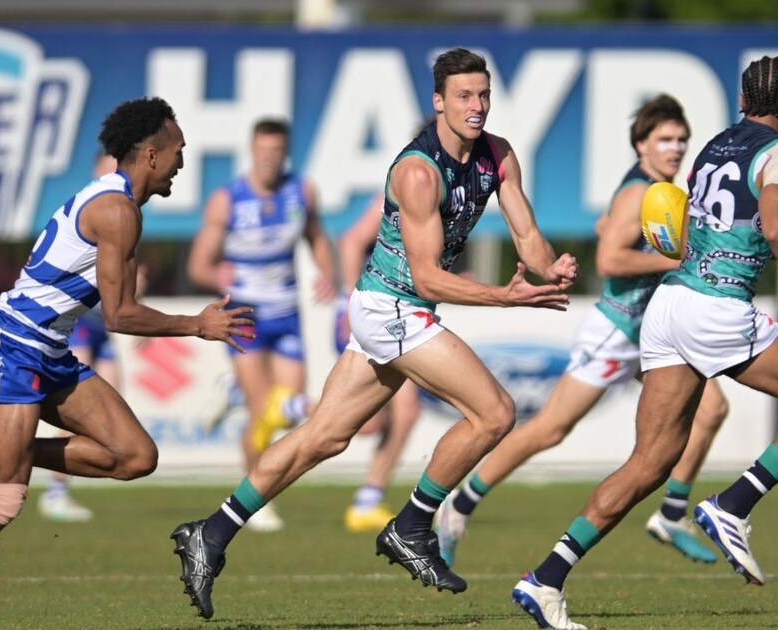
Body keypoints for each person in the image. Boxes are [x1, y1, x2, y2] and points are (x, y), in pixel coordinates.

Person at [169, 47, 579, 620]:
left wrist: (551, 266)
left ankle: (209, 534)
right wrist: (505, 296)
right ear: (438, 102)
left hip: (391, 309)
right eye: (464, 96)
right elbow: (428, 275)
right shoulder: (417, 171)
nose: (477, 107)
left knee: (323, 437)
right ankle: (413, 524)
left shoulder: (498, 155)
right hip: (393, 308)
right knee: (495, 414)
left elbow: (528, 235)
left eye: (483, 95)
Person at [0, 97, 253, 630]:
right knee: (2, 502)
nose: (184, 162)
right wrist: (196, 325)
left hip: (49, 353)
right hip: (13, 347)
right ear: (152, 155)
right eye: (179, 150)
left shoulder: (124, 209)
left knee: (136, 457)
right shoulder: (116, 211)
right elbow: (119, 314)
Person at [510, 56, 778, 630]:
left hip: (669, 305)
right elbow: (773, 226)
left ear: (742, 101)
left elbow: (710, 222)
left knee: (649, 462)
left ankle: (545, 579)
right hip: (717, 309)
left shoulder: (716, 146)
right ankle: (733, 506)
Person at [436, 95, 728, 569]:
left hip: (653, 332)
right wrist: (678, 260)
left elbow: (616, 231)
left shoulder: (662, 191)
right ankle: (460, 503)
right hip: (617, 329)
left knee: (711, 408)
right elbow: (610, 259)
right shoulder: (640, 193)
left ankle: (673, 512)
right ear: (641, 146)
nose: (675, 148)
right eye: (665, 140)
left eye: (681, 140)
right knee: (550, 429)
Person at [187, 118, 337, 533]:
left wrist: (328, 274)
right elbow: (198, 264)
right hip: (245, 317)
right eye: (262, 151)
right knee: (261, 414)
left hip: (287, 313)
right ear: (251, 151)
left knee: (288, 413)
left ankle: (230, 391)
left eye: (277, 151)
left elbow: (317, 237)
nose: (269, 159)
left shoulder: (301, 191)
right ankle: (255, 501)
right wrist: (216, 276)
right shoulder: (227, 200)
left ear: (285, 152)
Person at [39, 152, 122, 523]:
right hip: (78, 322)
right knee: (78, 410)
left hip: (105, 322)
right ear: (95, 171)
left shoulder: (122, 208)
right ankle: (55, 490)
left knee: (113, 405)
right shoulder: (88, 208)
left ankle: (57, 485)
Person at [335, 193, 423, 533]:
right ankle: (289, 409)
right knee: (367, 422)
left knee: (404, 412)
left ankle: (368, 500)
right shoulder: (400, 194)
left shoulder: (450, 201)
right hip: (373, 315)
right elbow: (350, 242)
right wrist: (349, 300)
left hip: (404, 318)